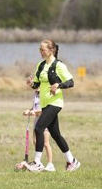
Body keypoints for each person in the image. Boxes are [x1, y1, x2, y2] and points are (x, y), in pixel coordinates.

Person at [25, 39, 80, 172]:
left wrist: (58, 85)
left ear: (51, 50)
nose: (41, 52)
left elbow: (71, 82)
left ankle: (37, 162)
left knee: (38, 128)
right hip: (44, 103)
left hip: (55, 103)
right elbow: (37, 84)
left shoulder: (59, 65)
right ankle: (72, 161)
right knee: (56, 134)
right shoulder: (40, 65)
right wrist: (31, 84)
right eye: (40, 49)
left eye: (43, 49)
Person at [22, 92, 54, 171]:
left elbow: (45, 110)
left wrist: (35, 112)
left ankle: (50, 164)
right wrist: (29, 111)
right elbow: (35, 107)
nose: (33, 85)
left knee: (46, 143)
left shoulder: (44, 93)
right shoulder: (36, 94)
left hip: (44, 120)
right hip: (37, 121)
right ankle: (38, 163)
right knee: (35, 141)